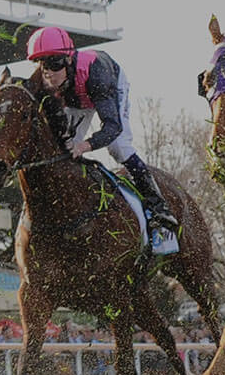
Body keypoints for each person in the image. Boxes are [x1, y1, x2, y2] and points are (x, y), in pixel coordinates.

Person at [25, 26, 180, 255]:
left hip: (109, 86)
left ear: (68, 60)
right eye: (43, 64)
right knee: (62, 151)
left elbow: (112, 127)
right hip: (77, 99)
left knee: (118, 147)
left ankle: (160, 210)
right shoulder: (44, 80)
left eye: (55, 63)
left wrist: (85, 145)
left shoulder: (97, 74)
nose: (49, 72)